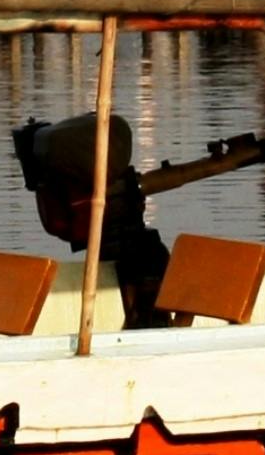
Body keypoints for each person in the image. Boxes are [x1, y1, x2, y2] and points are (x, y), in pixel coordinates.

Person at [15, 113, 176, 327]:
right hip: (125, 244)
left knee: (146, 254)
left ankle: (143, 315)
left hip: (119, 242)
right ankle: (146, 319)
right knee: (149, 255)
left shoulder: (64, 163)